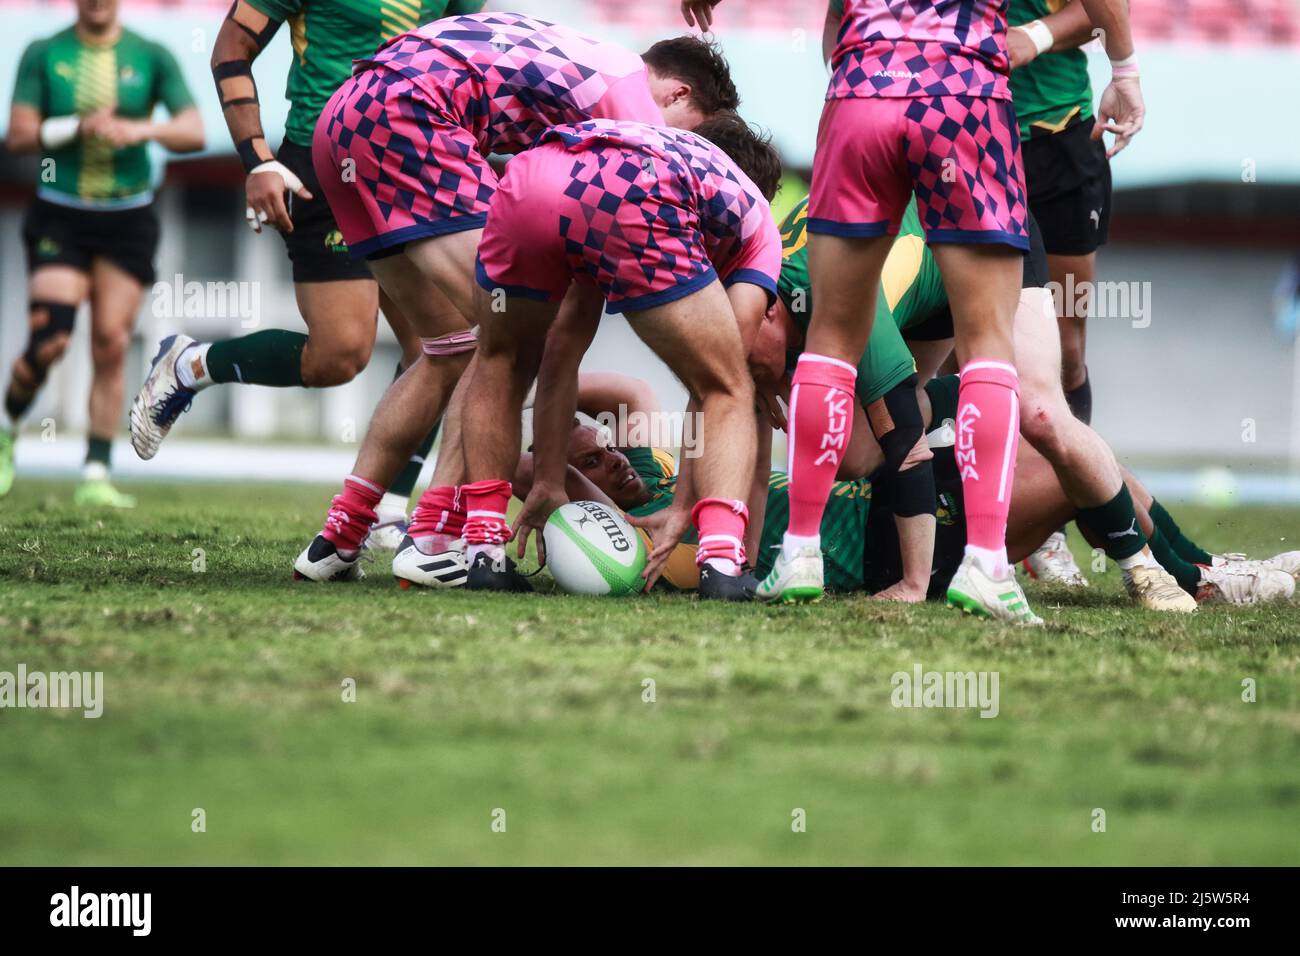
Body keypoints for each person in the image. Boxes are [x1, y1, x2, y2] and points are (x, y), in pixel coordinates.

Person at [256, 12, 741, 582]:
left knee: (449, 346)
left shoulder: (583, 64)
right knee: (507, 335)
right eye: (689, 133)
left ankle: (338, 538)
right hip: (411, 113)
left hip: (344, 116)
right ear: (678, 92)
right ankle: (434, 535)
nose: (683, 152)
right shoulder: (634, 108)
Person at [761, 0, 1146, 624]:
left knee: (831, 335)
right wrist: (1124, 71)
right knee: (989, 345)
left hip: (862, 88)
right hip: (966, 93)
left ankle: (799, 551)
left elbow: (833, 25)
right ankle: (987, 564)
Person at [129, 0, 485, 545]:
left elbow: (466, 53)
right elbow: (231, 48)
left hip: (416, 163)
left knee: (448, 342)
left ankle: (388, 509)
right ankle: (192, 364)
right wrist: (259, 160)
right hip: (328, 158)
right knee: (339, 355)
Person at [760, 194, 1198, 613]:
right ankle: (982, 439)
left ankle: (1149, 568)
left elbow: (905, 442)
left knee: (1041, 414)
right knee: (856, 451)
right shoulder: (764, 289)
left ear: (767, 313)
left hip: (988, 232)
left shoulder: (837, 294)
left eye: (749, 358)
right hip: (924, 271)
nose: (750, 369)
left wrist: (913, 584)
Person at [458, 116, 782, 599]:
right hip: (638, 189)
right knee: (728, 384)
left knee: (501, 359)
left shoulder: (669, 147)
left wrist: (549, 478)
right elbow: (717, 380)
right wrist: (683, 505)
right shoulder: (755, 225)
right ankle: (721, 562)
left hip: (532, 174)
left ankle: (482, 549)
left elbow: (563, 349)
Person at [0, 0, 203, 505]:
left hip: (128, 217)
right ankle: (7, 427)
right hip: (60, 215)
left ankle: (95, 474)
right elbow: (19, 134)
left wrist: (142, 130)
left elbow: (194, 130)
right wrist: (75, 126)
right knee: (50, 340)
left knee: (111, 342)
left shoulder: (150, 54)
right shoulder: (44, 52)